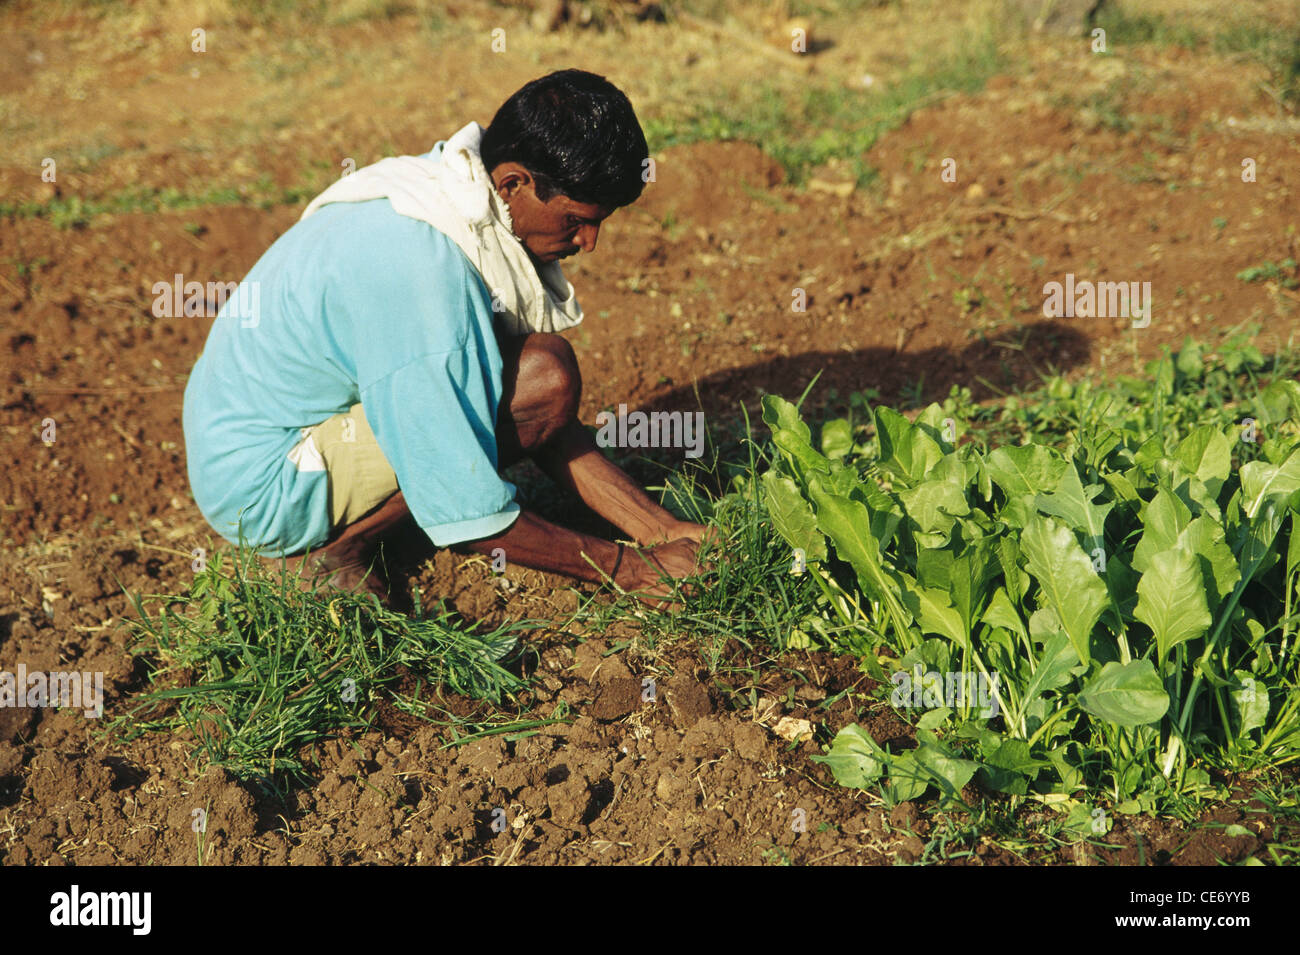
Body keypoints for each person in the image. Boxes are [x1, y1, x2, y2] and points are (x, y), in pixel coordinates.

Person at [182, 69, 709, 607]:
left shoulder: (443, 191)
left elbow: (538, 413)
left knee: (541, 373)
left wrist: (661, 529)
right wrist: (632, 569)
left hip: (268, 433)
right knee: (537, 381)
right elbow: (466, 507)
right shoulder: (426, 276)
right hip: (266, 485)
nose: (590, 242)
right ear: (513, 183)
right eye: (576, 219)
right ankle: (339, 548)